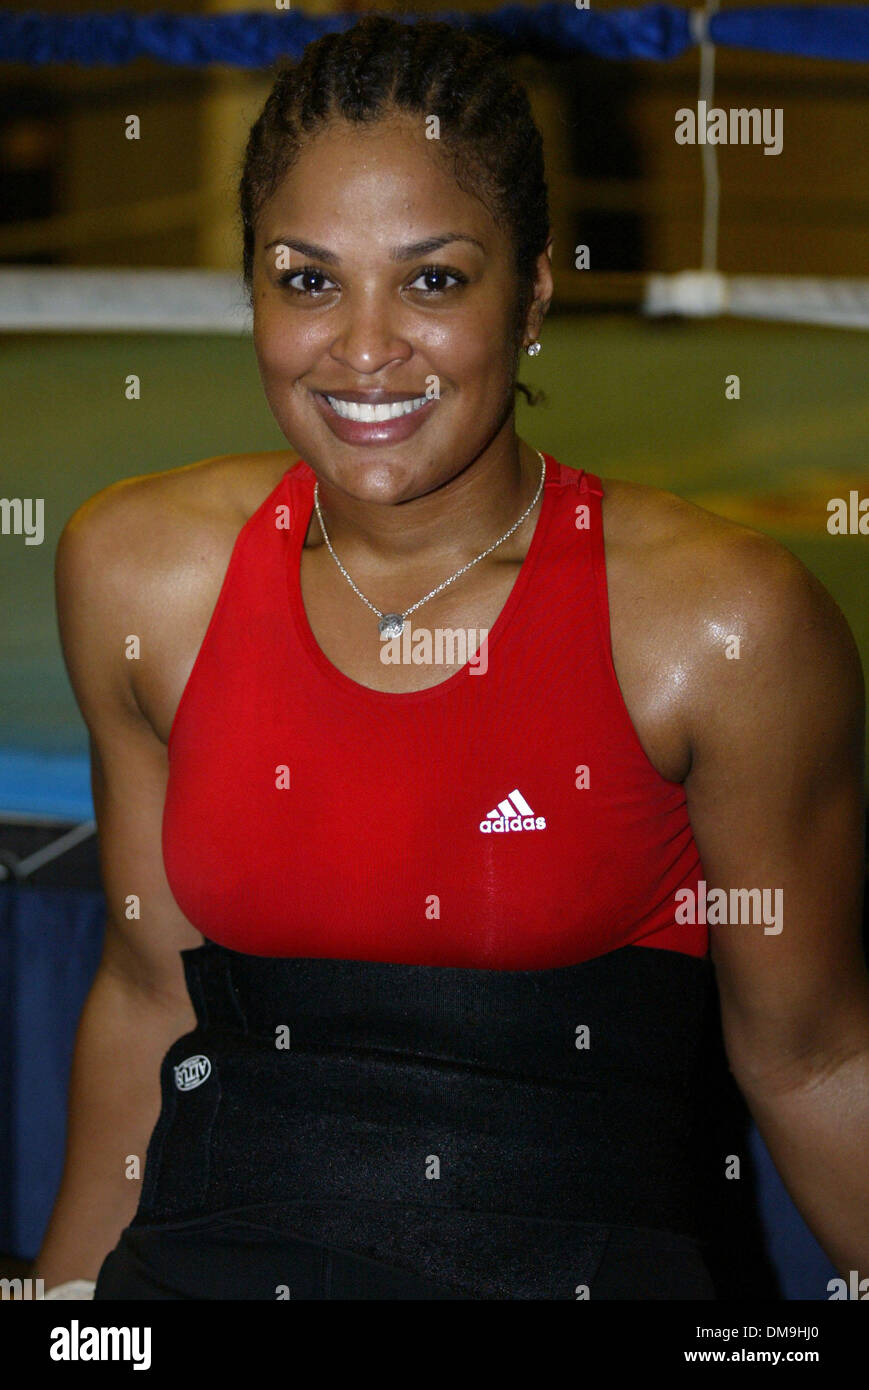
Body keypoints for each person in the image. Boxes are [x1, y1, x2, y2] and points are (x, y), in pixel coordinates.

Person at [38, 15, 868, 1300]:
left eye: (432, 279)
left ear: (530, 293)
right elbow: (150, 993)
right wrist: (67, 1322)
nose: (364, 349)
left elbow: (813, 1057)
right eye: (307, 278)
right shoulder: (137, 573)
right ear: (250, 291)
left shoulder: (717, 623)